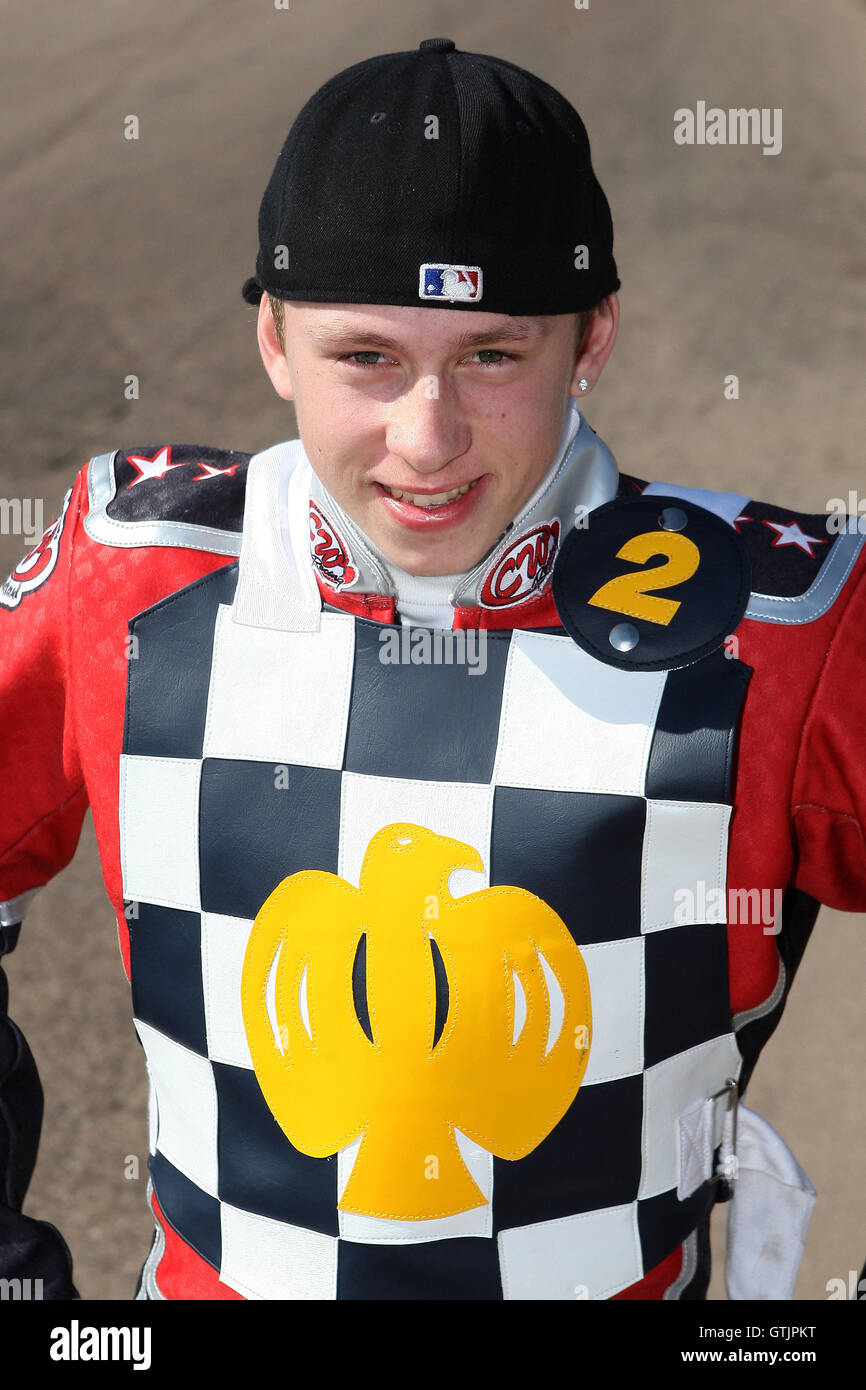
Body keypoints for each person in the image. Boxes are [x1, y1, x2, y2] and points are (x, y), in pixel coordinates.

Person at [1, 36, 864, 1303]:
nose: (427, 438)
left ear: (593, 337)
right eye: (367, 358)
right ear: (273, 340)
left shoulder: (781, 618)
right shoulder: (128, 570)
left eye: (490, 357)